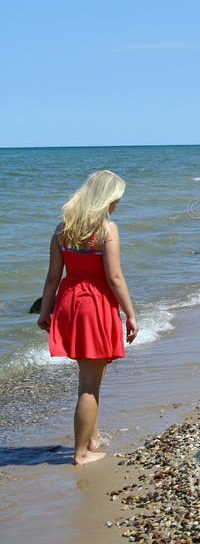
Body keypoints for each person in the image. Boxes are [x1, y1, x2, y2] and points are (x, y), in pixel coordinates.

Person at [37, 170, 138, 465]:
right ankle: (80, 453)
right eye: (115, 199)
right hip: (95, 305)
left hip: (69, 303)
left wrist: (46, 311)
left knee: (92, 375)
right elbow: (115, 277)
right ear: (106, 199)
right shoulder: (107, 230)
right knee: (89, 386)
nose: (117, 205)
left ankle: (92, 438)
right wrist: (131, 314)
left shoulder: (62, 229)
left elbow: (53, 277)